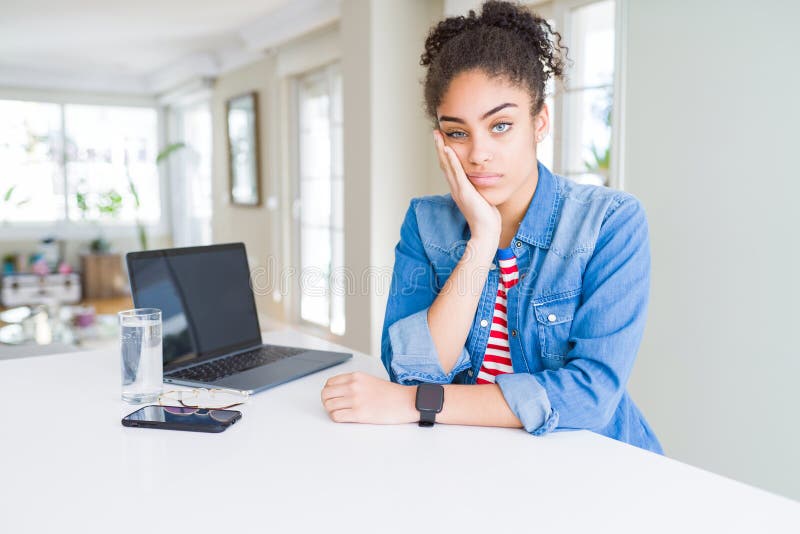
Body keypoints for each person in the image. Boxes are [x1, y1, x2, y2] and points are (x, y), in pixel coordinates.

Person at [320, 0, 662, 453]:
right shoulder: (427, 223)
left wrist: (417, 404)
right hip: (474, 464)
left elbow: (591, 395)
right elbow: (413, 371)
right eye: (458, 132)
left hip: (592, 464)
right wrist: (482, 240)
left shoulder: (611, 222)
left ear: (540, 121)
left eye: (500, 125)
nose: (478, 154)